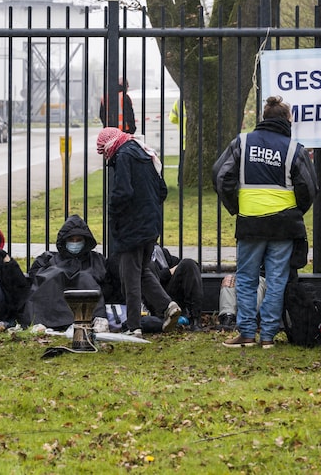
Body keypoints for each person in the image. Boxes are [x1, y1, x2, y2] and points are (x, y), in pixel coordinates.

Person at [212, 95, 318, 349]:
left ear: (264, 118)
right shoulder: (294, 148)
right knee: (276, 279)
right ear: (287, 120)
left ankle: (247, 333)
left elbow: (221, 174)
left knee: (247, 279)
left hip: (250, 222)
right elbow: (309, 187)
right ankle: (268, 335)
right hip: (283, 224)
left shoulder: (243, 142)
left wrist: (235, 205)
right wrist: (295, 210)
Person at [96, 126, 180, 336]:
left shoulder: (124, 156)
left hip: (132, 226)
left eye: (104, 151)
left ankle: (134, 326)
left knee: (130, 276)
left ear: (110, 145)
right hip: (151, 223)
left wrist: (113, 213)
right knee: (142, 270)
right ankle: (168, 306)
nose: (106, 156)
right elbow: (162, 190)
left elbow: (122, 192)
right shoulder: (145, 152)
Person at [25, 215, 110, 330]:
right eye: (71, 240)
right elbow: (36, 280)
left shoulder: (95, 260)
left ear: (85, 241)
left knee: (85, 278)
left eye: (78, 240)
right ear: (64, 241)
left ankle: (95, 319)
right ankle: (43, 321)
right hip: (56, 303)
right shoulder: (49, 259)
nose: (75, 243)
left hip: (86, 307)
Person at [148, 244, 203, 330]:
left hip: (170, 294)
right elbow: (150, 279)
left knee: (188, 264)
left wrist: (191, 266)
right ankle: (164, 320)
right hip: (155, 301)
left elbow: (183, 265)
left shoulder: (160, 251)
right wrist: (169, 272)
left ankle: (195, 319)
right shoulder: (137, 255)